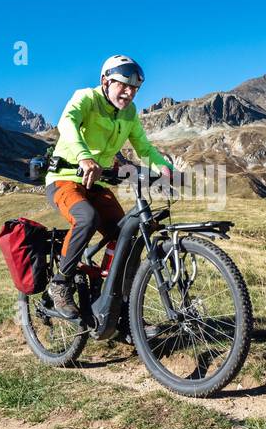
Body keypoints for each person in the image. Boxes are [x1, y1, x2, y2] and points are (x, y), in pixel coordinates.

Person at [44, 54, 173, 319]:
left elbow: (143, 146)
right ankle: (60, 284)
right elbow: (66, 122)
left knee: (125, 234)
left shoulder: (129, 113)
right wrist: (84, 156)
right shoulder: (86, 98)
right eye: (122, 85)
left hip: (97, 182)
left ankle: (114, 302)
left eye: (134, 89)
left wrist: (162, 167)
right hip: (64, 178)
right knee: (87, 218)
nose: (129, 93)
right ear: (105, 81)